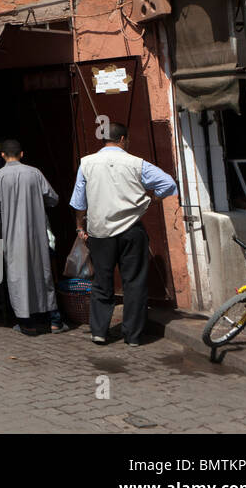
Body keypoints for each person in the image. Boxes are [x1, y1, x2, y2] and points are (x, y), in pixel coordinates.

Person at [69, 123, 177, 346]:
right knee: (134, 282)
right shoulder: (136, 163)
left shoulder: (87, 163)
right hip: (131, 230)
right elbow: (168, 183)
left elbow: (80, 202)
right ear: (123, 140)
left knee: (101, 281)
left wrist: (80, 226)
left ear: (104, 140)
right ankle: (133, 336)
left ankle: (99, 332)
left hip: (100, 233)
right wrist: (155, 199)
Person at [0, 139, 65, 336]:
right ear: (22, 154)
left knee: (18, 277)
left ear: (2, 155)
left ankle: (27, 323)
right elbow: (53, 198)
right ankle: (54, 321)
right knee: (43, 274)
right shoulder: (34, 173)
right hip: (36, 233)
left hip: (12, 235)